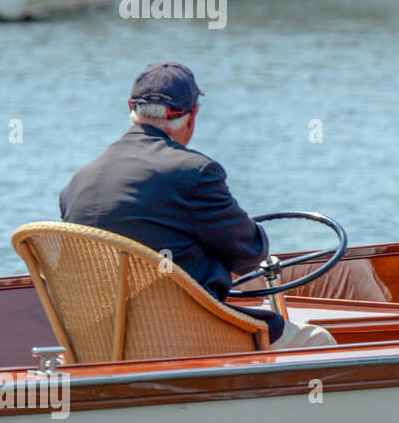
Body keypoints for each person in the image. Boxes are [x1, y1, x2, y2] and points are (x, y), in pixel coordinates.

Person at [60, 62, 334, 349]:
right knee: (317, 341)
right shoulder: (194, 172)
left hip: (100, 343)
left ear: (131, 106)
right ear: (192, 116)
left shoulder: (77, 183)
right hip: (181, 337)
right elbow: (249, 254)